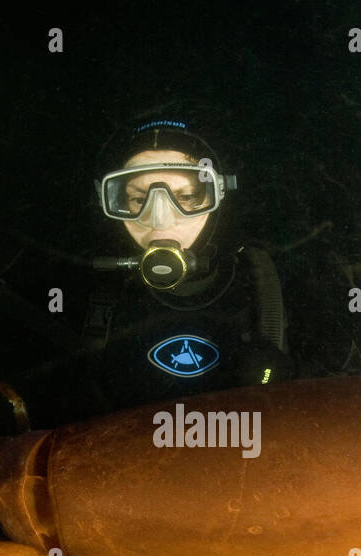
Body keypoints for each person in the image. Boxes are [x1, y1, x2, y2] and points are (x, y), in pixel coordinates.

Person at [80, 117, 293, 411]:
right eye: (137, 198)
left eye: (188, 197)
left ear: (220, 196)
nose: (159, 219)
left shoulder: (269, 282)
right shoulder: (85, 289)